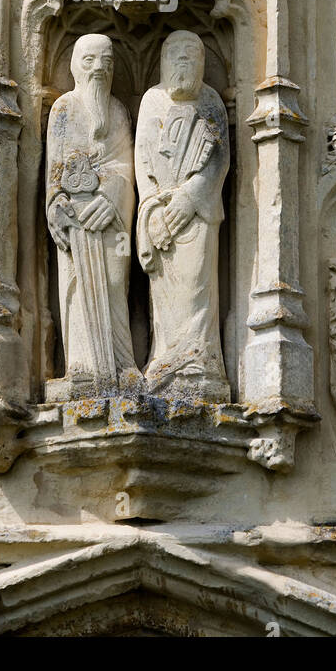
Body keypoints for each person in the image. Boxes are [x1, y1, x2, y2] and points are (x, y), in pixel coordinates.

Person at [135, 30, 230, 400]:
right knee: (164, 290)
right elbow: (142, 158)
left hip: (197, 214)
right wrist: (152, 207)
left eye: (191, 55)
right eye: (175, 55)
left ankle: (199, 363)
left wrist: (190, 198)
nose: (183, 62)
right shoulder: (151, 101)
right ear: (162, 62)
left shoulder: (211, 102)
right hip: (160, 212)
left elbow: (219, 161)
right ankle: (166, 357)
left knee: (196, 285)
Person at [46, 33, 138, 392]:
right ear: (75, 66)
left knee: (116, 282)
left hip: (111, 217)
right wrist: (57, 203)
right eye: (90, 60)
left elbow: (126, 164)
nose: (99, 68)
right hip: (74, 219)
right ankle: (82, 367)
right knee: (74, 285)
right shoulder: (63, 109)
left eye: (106, 61)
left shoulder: (117, 111)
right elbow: (55, 165)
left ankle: (120, 364)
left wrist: (113, 195)